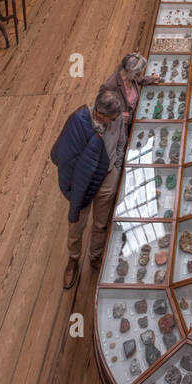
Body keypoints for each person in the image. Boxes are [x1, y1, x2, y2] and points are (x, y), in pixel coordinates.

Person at [51, 88, 126, 290]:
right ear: (99, 113)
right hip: (81, 186)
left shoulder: (116, 118)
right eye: (110, 118)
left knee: (101, 223)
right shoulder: (78, 123)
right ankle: (73, 260)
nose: (114, 122)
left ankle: (95, 256)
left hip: (107, 176)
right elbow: (61, 156)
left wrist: (116, 169)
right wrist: (72, 187)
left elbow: (120, 142)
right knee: (77, 223)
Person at [98, 52, 150, 125]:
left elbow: (140, 79)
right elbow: (100, 111)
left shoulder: (131, 77)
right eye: (138, 73)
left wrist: (152, 78)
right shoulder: (110, 85)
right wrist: (117, 117)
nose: (139, 76)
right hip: (120, 126)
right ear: (130, 71)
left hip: (133, 119)